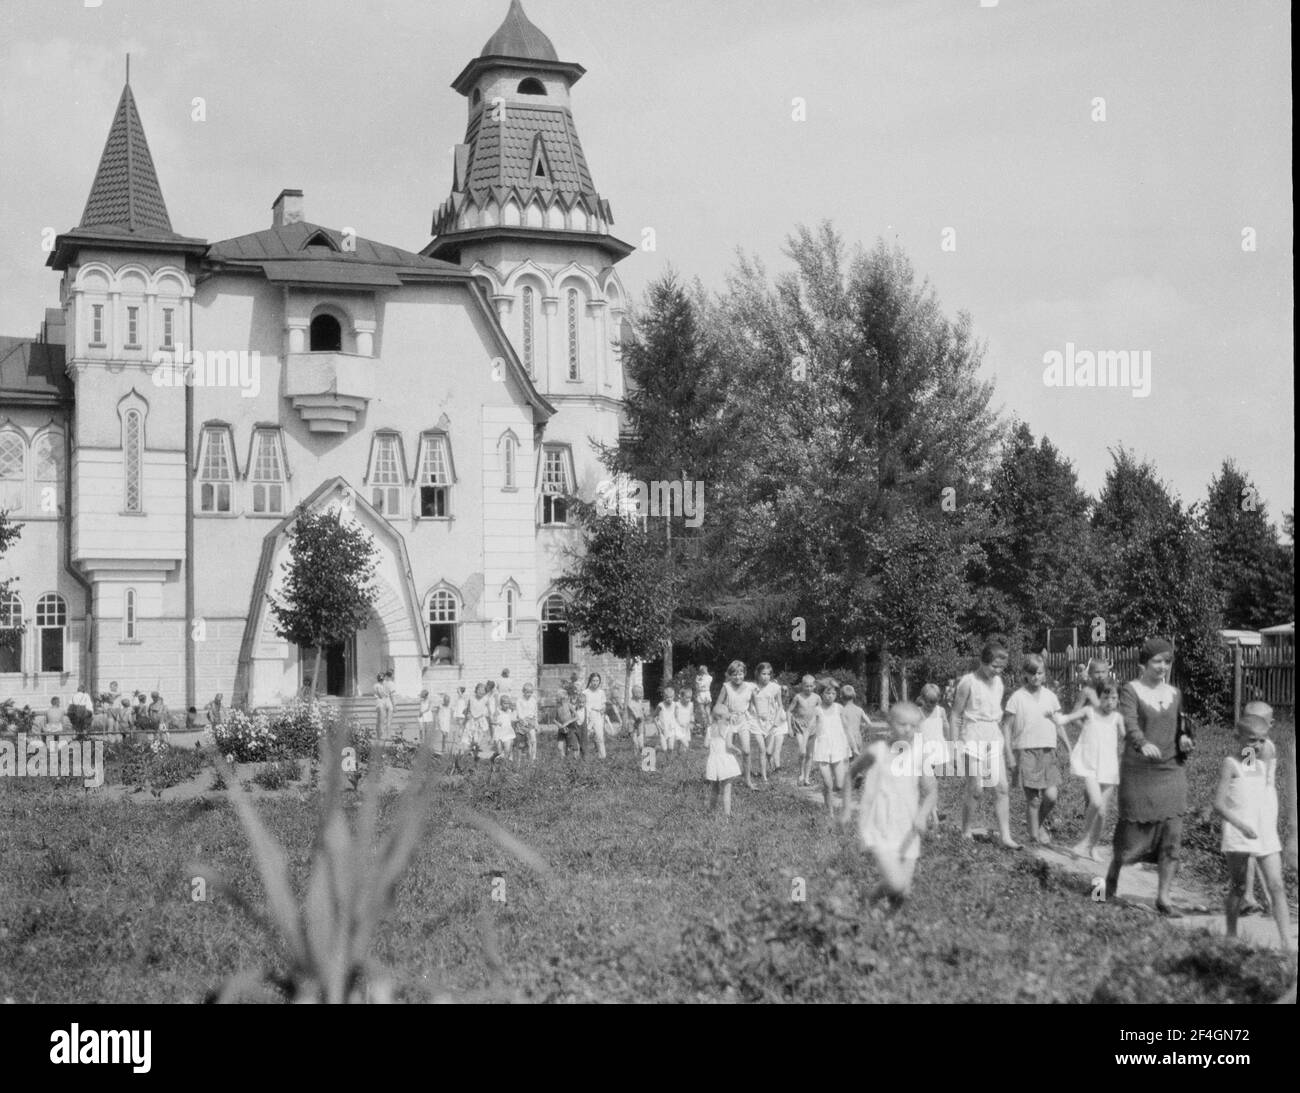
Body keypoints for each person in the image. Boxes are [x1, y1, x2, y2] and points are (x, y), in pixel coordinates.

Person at [1103, 638, 1195, 916]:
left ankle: (1164, 898)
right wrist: (1142, 742)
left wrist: (1186, 740)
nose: (1163, 667)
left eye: (1167, 661)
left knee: (1172, 835)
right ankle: (1107, 884)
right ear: (1144, 663)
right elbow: (1129, 723)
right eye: (1158, 661)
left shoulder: (1175, 693)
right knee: (1128, 841)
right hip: (1139, 773)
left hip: (1171, 771)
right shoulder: (1131, 690)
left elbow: (1182, 727)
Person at [841, 701, 938, 908]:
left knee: (902, 894)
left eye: (914, 725)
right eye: (902, 724)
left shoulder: (919, 755)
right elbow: (850, 774)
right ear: (889, 723)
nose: (908, 730)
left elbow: (931, 792)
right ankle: (869, 900)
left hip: (908, 828)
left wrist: (922, 816)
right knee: (896, 884)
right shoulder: (878, 751)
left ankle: (885, 931)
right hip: (880, 825)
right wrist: (847, 807)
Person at [1215, 713, 1292, 950]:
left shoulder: (1261, 762)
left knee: (1276, 885)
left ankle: (1287, 942)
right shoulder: (1231, 763)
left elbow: (1257, 784)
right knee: (1238, 886)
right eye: (1252, 740)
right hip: (1239, 832)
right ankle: (1230, 933)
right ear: (1237, 738)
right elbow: (1218, 805)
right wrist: (1241, 825)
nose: (1257, 745)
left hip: (1264, 833)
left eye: (1261, 740)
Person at [951, 639, 1019, 849]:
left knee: (1002, 787)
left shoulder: (998, 683)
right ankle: (966, 831)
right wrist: (954, 748)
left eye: (1001, 668)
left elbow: (996, 714)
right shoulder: (968, 682)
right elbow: (954, 715)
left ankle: (1005, 836)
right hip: (972, 735)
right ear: (982, 661)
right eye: (993, 666)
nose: (997, 671)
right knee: (976, 789)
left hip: (992, 734)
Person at [1002, 654, 1069, 845]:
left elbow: (1059, 724)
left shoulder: (1050, 697)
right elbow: (1006, 727)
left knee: (1051, 796)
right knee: (1033, 800)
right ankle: (1034, 841)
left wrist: (1068, 746)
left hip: (1048, 751)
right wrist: (1009, 754)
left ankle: (1036, 826)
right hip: (1025, 751)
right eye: (1031, 673)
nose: (1036, 677)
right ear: (1025, 674)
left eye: (1039, 673)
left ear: (1044, 674)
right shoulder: (1017, 697)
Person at [1054, 681, 1123, 860]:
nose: (1109, 702)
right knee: (1097, 802)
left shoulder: (1117, 718)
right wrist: (1054, 717)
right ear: (1098, 699)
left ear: (1118, 700)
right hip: (1090, 766)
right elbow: (1066, 719)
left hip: (1109, 768)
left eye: (1113, 698)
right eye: (1105, 697)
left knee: (1102, 812)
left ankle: (1093, 846)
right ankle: (1084, 842)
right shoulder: (1089, 712)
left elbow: (1130, 737)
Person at [715, 660, 764, 788]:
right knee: (727, 750)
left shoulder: (750, 687)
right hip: (729, 721)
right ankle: (724, 777)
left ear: (744, 674)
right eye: (734, 674)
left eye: (741, 674)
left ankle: (747, 780)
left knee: (747, 751)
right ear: (730, 675)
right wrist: (726, 714)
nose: (738, 677)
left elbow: (755, 702)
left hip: (743, 720)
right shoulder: (726, 687)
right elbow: (717, 705)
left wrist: (759, 716)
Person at [810, 682, 852, 824]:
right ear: (822, 694)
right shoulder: (817, 710)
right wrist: (804, 747)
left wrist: (852, 745)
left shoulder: (839, 708)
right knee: (828, 783)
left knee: (839, 785)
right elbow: (809, 729)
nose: (830, 696)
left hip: (838, 747)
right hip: (822, 747)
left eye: (833, 694)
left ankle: (826, 793)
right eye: (828, 693)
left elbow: (846, 727)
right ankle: (830, 813)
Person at [705, 710, 743, 817]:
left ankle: (711, 811)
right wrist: (737, 750)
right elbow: (729, 746)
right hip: (725, 761)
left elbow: (705, 744)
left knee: (714, 789)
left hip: (713, 761)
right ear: (721, 718)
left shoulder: (709, 729)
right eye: (727, 718)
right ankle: (727, 815)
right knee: (727, 789)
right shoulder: (728, 729)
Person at [787, 675, 821, 787]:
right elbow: (789, 711)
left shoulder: (817, 698)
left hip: (812, 728)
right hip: (800, 727)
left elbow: (821, 714)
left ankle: (807, 778)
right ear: (802, 685)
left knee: (810, 755)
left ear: (814, 686)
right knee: (802, 752)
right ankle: (801, 773)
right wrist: (790, 727)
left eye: (811, 686)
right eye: (806, 686)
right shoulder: (798, 697)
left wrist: (821, 728)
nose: (809, 688)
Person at [753, 664, 786, 773]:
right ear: (758, 674)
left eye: (768, 674)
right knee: (764, 749)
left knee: (769, 750)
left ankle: (774, 766)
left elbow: (780, 705)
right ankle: (767, 768)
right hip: (759, 721)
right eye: (763, 674)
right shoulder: (753, 687)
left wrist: (776, 721)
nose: (766, 677)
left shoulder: (775, 688)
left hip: (773, 721)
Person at [582, 673, 609, 759]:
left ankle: (602, 756)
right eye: (593, 680)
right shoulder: (585, 692)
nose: (595, 682)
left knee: (599, 736)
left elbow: (604, 704)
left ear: (599, 681)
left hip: (598, 715)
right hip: (587, 715)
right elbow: (582, 705)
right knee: (586, 736)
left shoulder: (601, 692)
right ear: (590, 681)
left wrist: (603, 709)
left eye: (597, 680)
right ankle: (585, 756)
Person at [839, 684, 867, 759]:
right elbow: (869, 723)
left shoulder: (842, 711)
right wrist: (863, 730)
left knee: (846, 761)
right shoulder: (859, 709)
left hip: (846, 738)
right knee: (857, 760)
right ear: (854, 696)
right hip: (858, 737)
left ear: (841, 696)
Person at [556, 683, 583, 759]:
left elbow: (577, 717)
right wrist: (559, 725)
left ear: (566, 697)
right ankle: (563, 760)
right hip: (561, 729)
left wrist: (568, 722)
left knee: (571, 747)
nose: (563, 700)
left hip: (570, 728)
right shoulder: (558, 707)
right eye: (561, 699)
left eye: (564, 698)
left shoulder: (569, 705)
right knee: (559, 747)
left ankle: (575, 761)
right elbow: (554, 719)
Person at [625, 684, 651, 752]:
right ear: (635, 694)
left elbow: (643, 712)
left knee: (641, 738)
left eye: (642, 692)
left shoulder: (640, 702)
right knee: (634, 741)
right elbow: (635, 714)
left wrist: (645, 712)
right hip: (632, 723)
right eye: (640, 693)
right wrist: (640, 715)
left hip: (640, 723)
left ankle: (641, 748)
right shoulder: (630, 703)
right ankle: (635, 754)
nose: (642, 694)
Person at [517, 683, 539, 762]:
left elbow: (535, 712)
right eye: (527, 692)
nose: (529, 694)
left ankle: (533, 757)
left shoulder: (533, 700)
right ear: (523, 691)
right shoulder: (520, 700)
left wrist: (536, 723)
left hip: (531, 720)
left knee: (533, 739)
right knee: (523, 741)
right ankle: (522, 757)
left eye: (531, 692)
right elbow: (519, 713)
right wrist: (523, 721)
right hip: (523, 722)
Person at [693, 664, 714, 734]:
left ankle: (706, 727)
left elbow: (697, 687)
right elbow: (697, 687)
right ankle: (708, 727)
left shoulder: (701, 678)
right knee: (706, 712)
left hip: (703, 694)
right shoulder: (708, 677)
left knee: (704, 712)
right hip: (704, 694)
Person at [494, 695, 516, 760]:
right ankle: (502, 758)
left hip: (507, 732)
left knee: (507, 748)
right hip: (499, 732)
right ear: (501, 704)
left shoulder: (509, 711)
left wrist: (517, 720)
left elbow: (513, 719)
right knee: (499, 751)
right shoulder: (498, 711)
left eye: (508, 703)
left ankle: (506, 760)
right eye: (505, 703)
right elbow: (492, 721)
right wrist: (497, 723)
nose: (506, 705)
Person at [673, 688, 694, 754]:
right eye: (686, 698)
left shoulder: (690, 704)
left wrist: (691, 722)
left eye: (690, 698)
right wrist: (679, 724)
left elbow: (691, 714)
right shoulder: (677, 705)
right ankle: (659, 748)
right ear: (681, 697)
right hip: (678, 726)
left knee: (680, 744)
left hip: (686, 726)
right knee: (685, 743)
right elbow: (675, 716)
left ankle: (680, 756)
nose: (688, 700)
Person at [373, 673, 392, 739]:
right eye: (380, 679)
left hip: (384, 702)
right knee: (381, 719)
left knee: (383, 719)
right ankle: (380, 735)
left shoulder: (383, 685)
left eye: (382, 678)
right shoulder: (377, 685)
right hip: (380, 702)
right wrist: (385, 694)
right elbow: (380, 695)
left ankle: (382, 734)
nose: (381, 680)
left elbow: (387, 693)